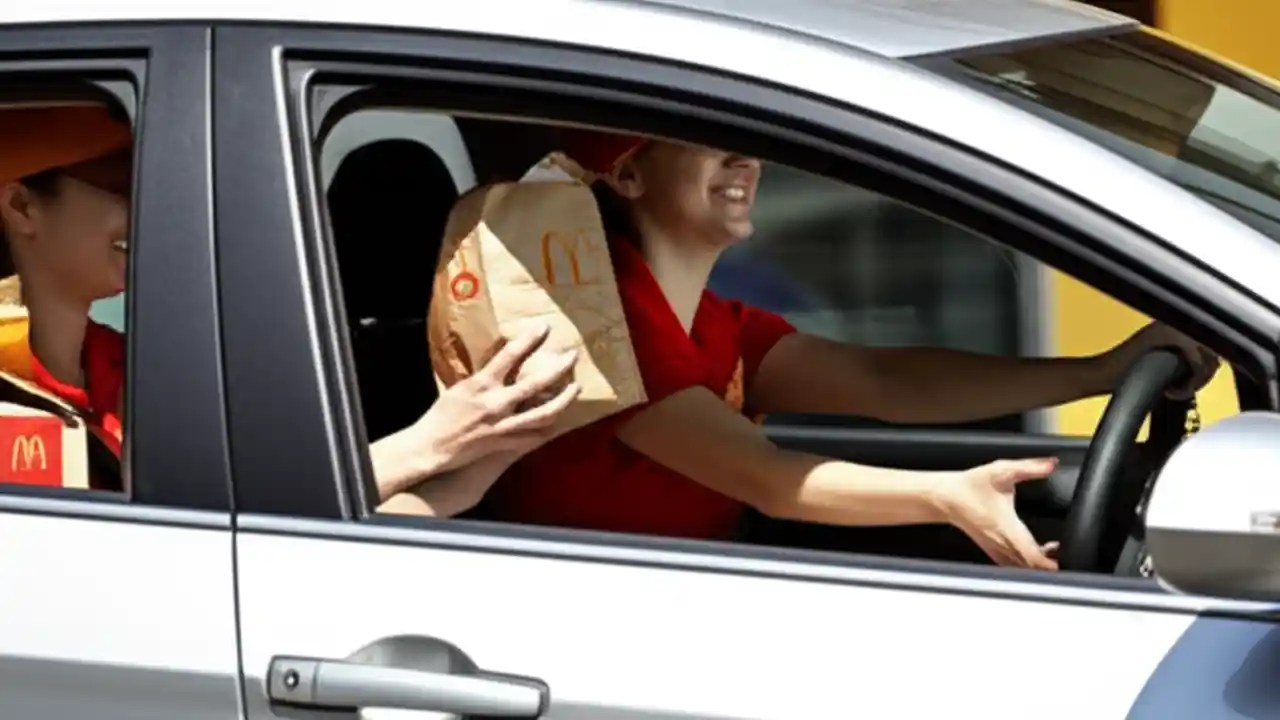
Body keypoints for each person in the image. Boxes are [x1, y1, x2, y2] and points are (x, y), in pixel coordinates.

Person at [474, 129, 1220, 570]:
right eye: (711, 141)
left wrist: (1101, 371)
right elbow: (768, 478)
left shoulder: (711, 317)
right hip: (588, 616)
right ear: (627, 173)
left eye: (748, 144)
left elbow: (886, 381)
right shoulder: (606, 321)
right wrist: (945, 496)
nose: (746, 162)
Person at [0, 102, 578, 510]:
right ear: (23, 206)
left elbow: (281, 529)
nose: (154, 210)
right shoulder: (11, 392)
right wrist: (432, 440)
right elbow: (196, 542)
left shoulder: (141, 373)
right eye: (124, 185)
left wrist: (495, 446)